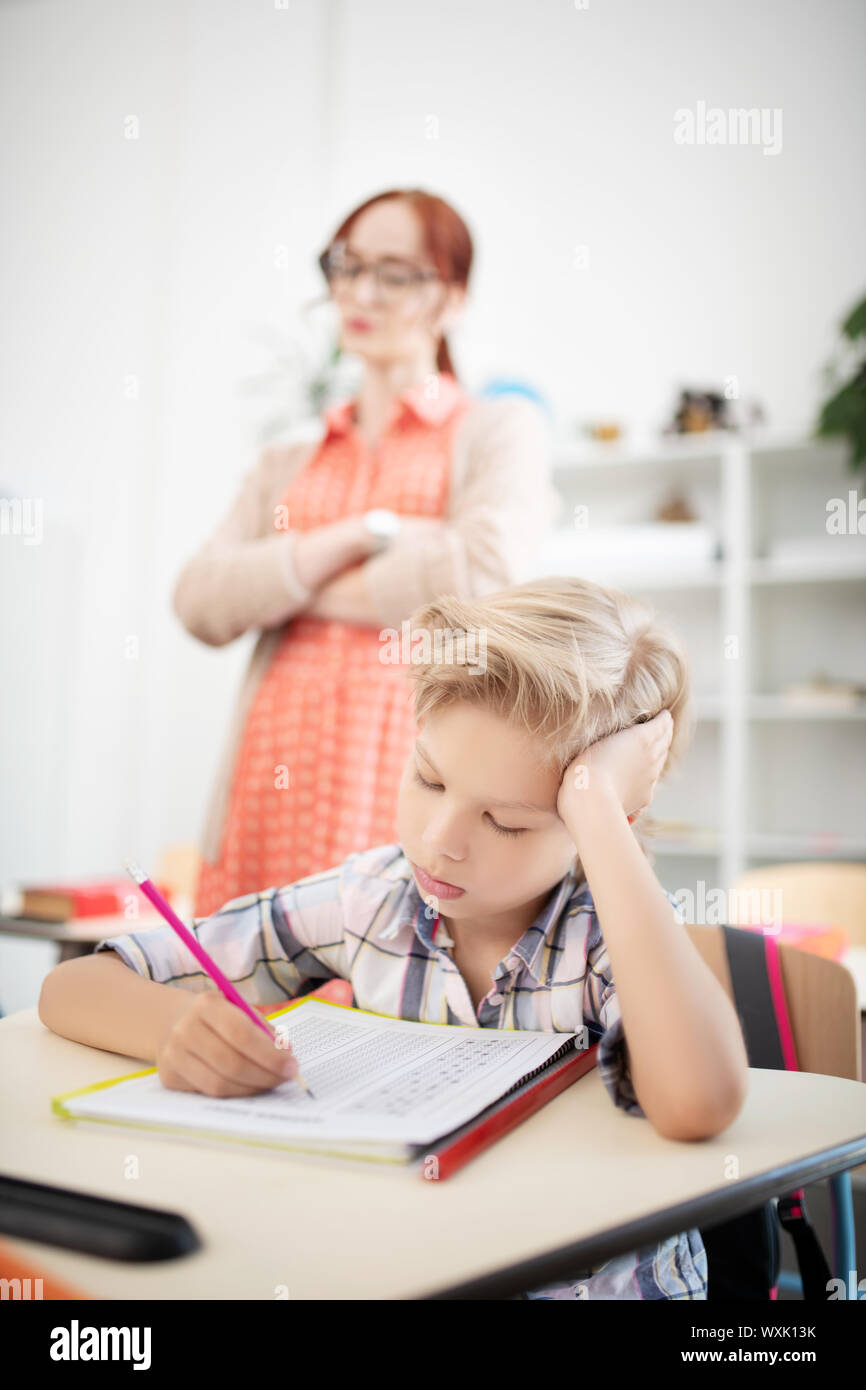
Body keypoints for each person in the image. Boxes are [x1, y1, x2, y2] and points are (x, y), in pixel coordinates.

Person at [39, 575, 749, 1299]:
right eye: (430, 779)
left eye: (505, 821)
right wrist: (178, 1030)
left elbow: (699, 1103)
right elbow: (72, 988)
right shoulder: (369, 900)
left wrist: (600, 809)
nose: (441, 843)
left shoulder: (608, 930)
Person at [172, 187, 559, 922]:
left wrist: (285, 582)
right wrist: (355, 536)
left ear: (452, 297)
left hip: (411, 770)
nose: (361, 292)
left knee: (387, 998)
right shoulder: (288, 458)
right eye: (347, 267)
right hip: (270, 773)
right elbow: (198, 600)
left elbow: (484, 572)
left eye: (396, 272)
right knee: (261, 997)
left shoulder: (498, 428)